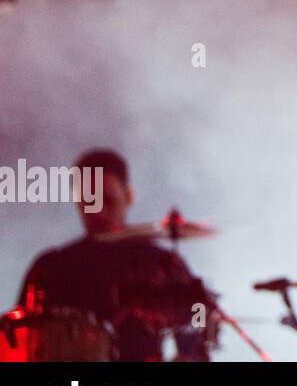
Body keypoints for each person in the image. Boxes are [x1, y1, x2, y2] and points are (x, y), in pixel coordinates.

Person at [14, 149, 214, 361]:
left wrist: (189, 356)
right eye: (90, 201)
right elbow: (15, 338)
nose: (98, 212)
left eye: (107, 200)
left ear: (128, 197)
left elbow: (197, 320)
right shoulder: (50, 267)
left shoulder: (160, 263)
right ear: (77, 201)